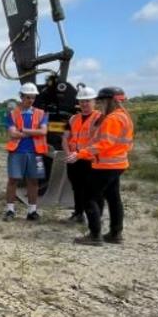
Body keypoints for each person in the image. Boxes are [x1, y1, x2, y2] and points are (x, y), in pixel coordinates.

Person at [67, 86, 134, 244]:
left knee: (89, 197)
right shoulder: (125, 116)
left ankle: (95, 235)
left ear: (110, 101)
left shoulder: (112, 119)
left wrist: (80, 153)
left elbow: (103, 143)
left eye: (101, 101)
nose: (100, 104)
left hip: (106, 165)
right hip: (119, 163)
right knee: (113, 198)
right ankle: (115, 233)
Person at [3, 82, 49, 221]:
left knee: (34, 181)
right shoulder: (11, 114)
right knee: (13, 180)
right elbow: (13, 134)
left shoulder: (41, 113)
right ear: (21, 97)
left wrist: (23, 130)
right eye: (28, 97)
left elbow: (43, 131)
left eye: (33, 98)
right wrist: (34, 133)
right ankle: (10, 210)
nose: (30, 100)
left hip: (35, 152)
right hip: (17, 151)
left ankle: (32, 211)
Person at [63, 85, 102, 223]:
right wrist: (68, 155)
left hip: (91, 160)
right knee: (77, 188)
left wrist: (81, 154)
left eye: (87, 100)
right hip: (74, 160)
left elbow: (100, 141)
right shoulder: (73, 119)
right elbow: (65, 138)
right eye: (82, 101)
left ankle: (95, 217)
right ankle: (78, 213)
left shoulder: (100, 118)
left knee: (91, 190)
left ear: (94, 101)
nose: (84, 104)